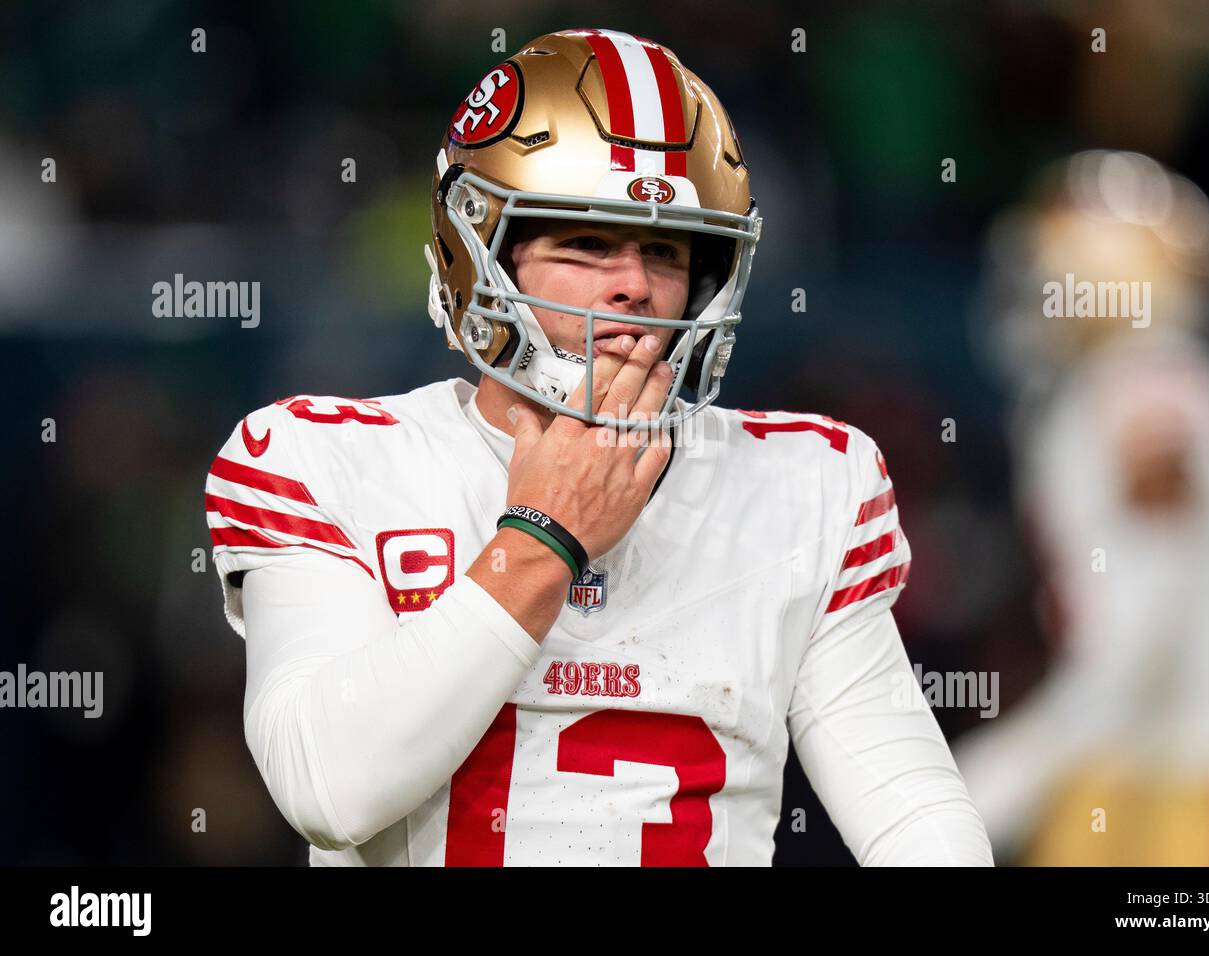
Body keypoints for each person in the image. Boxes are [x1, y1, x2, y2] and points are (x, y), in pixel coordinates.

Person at [204, 27, 991, 866]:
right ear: (481, 258)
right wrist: (544, 538)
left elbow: (915, 820)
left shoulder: (807, 485)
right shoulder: (320, 460)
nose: (635, 283)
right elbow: (328, 789)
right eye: (586, 243)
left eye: (665, 249)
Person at [956, 150, 1209, 864]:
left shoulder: (1144, 388)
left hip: (1188, 762)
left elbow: (1155, 605)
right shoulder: (1136, 385)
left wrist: (1017, 765)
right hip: (1149, 749)